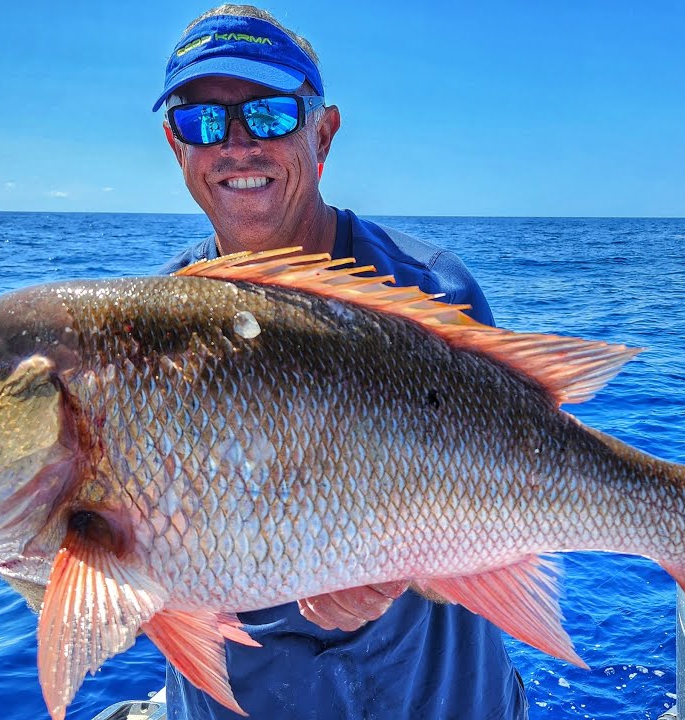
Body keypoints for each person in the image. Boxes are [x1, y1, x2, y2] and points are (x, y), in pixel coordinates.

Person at [151, 5, 527, 719]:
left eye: (269, 116)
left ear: (321, 134)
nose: (236, 144)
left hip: (437, 698)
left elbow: (506, 502)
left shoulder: (429, 291)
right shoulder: (151, 337)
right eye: (203, 122)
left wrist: (411, 570)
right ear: (177, 146)